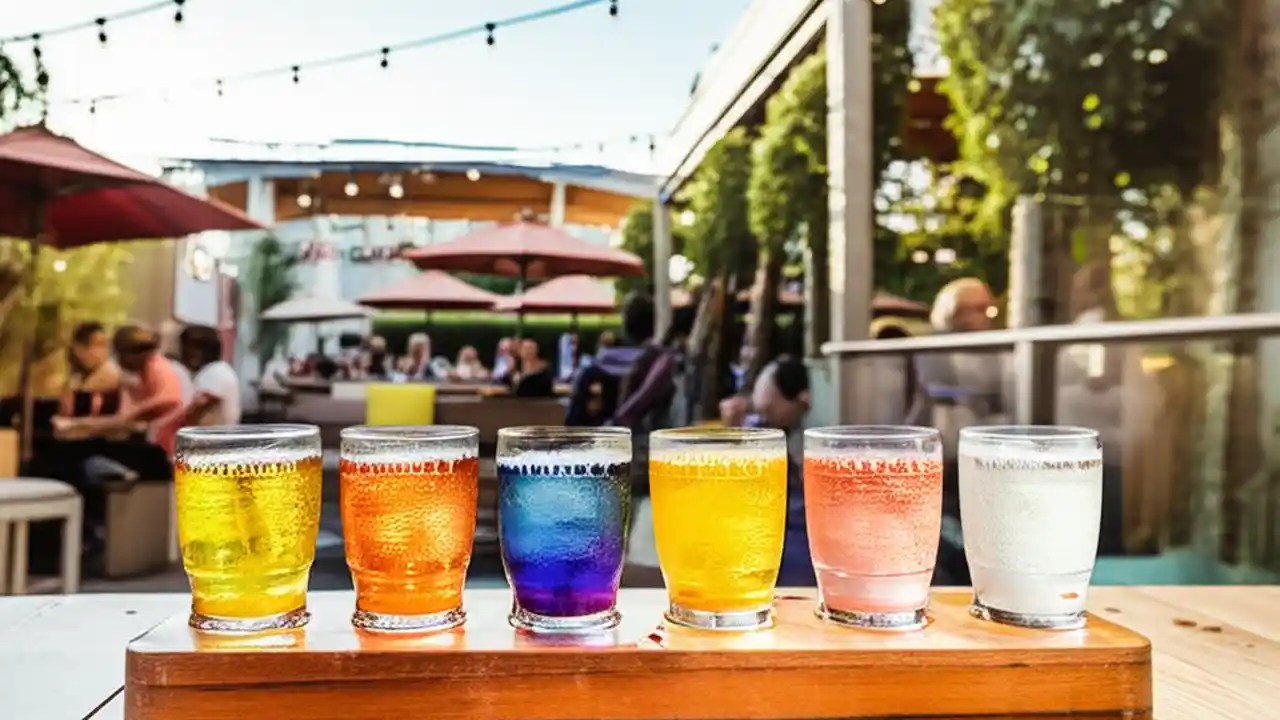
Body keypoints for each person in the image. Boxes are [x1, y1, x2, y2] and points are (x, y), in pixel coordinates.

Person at [904, 277, 1009, 585]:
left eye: (988, 309)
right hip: (946, 450)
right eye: (978, 309)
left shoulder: (999, 350)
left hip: (988, 452)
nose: (986, 316)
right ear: (954, 312)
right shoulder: (932, 348)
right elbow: (929, 394)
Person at [719, 356, 814, 586]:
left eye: (768, 411)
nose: (761, 421)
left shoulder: (805, 446)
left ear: (802, 402)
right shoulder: (772, 436)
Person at [178, 325, 242, 427]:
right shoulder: (219, 369)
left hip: (214, 437)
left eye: (195, 348)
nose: (187, 353)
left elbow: (203, 401)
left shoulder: (215, 371)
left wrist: (179, 421)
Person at [62, 321, 122, 417]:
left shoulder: (110, 372)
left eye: (106, 345)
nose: (104, 351)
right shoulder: (77, 378)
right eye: (99, 344)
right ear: (79, 349)